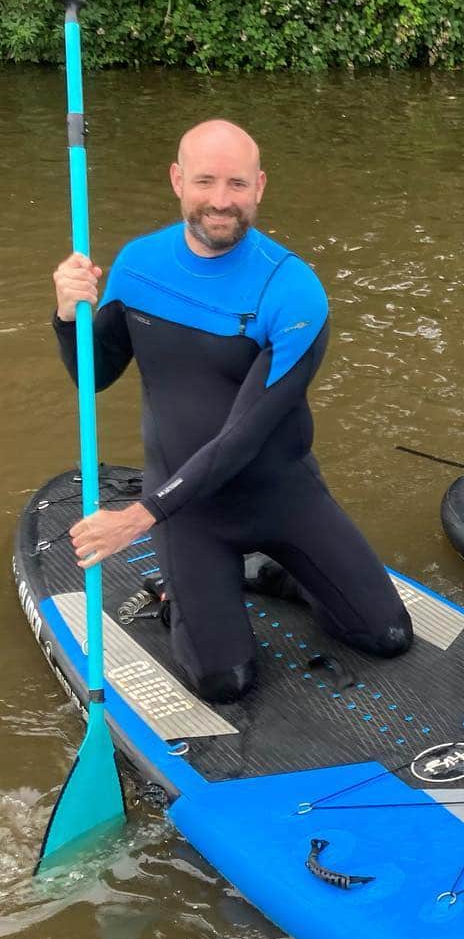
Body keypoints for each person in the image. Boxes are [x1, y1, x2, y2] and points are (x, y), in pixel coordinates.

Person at [52, 118, 412, 703]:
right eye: (206, 181)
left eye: (238, 185)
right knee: (225, 682)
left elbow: (244, 436)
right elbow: (92, 377)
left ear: (261, 186)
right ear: (177, 180)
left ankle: (278, 574)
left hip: (281, 493)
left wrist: (137, 518)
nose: (221, 201)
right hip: (188, 512)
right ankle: (181, 594)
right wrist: (69, 318)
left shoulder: (293, 291)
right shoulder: (138, 266)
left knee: (387, 635)